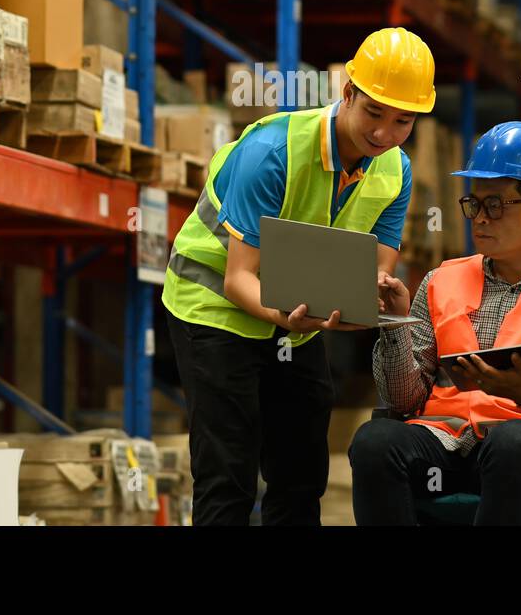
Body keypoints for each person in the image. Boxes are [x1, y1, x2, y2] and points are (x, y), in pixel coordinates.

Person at [163, 27, 436, 525]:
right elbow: (238, 279)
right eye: (374, 112)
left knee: (301, 471)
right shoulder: (274, 152)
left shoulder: (395, 171)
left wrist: (376, 308)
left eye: (403, 121)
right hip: (214, 305)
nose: (384, 133)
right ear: (348, 92)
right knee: (228, 474)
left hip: (298, 313)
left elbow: (372, 278)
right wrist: (287, 316)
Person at [349, 122, 521, 525]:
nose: (480, 219)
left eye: (495, 205)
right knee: (374, 441)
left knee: (512, 443)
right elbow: (403, 401)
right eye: (474, 204)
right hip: (443, 438)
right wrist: (393, 325)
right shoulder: (441, 279)